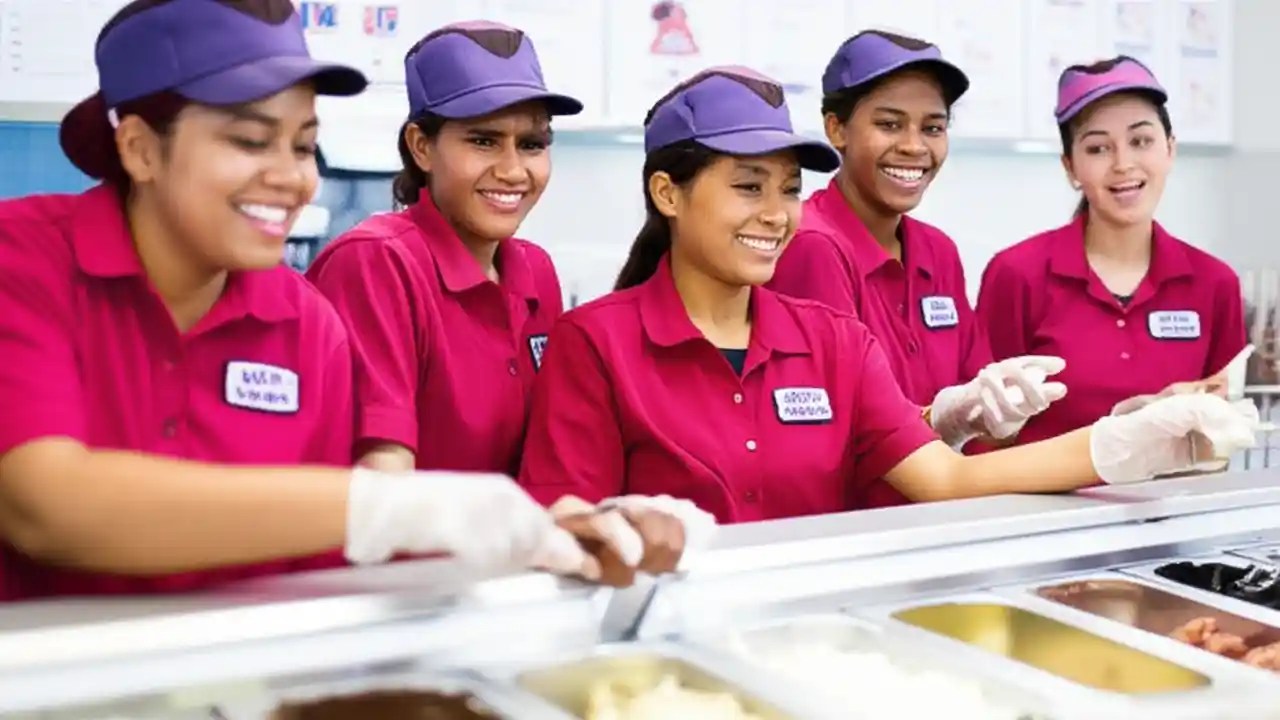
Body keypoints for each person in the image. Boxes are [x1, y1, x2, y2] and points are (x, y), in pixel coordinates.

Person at [0, 0, 666, 600]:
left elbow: (324, 554)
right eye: (250, 140)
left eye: (305, 144)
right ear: (141, 148)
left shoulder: (305, 323)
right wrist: (394, 507)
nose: (291, 177)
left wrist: (546, 532)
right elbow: (43, 504)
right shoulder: (23, 262)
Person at [516, 65, 1260, 524]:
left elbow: (946, 476)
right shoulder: (595, 344)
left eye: (789, 189)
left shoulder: (834, 343)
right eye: (748, 187)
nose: (777, 214)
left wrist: (1128, 445)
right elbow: (568, 523)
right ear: (667, 194)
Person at [764, 30, 1064, 510]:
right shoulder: (813, 247)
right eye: (889, 124)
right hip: (856, 535)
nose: (914, 147)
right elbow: (838, 438)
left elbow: (983, 408)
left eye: (932, 127)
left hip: (941, 521)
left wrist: (999, 412)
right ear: (835, 128)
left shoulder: (937, 251)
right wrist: (944, 421)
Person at [306, 21, 571, 477]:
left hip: (514, 546)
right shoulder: (377, 263)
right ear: (421, 147)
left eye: (532, 144)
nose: (513, 170)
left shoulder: (535, 270)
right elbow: (381, 476)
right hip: (415, 549)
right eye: (483, 140)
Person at [975, 56, 1247, 446]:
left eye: (1141, 141)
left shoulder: (1215, 283)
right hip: (1044, 505)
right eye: (1099, 148)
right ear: (1070, 167)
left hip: (1177, 502)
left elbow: (1224, 436)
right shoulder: (1017, 274)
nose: (1123, 164)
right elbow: (985, 438)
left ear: (1170, 150)